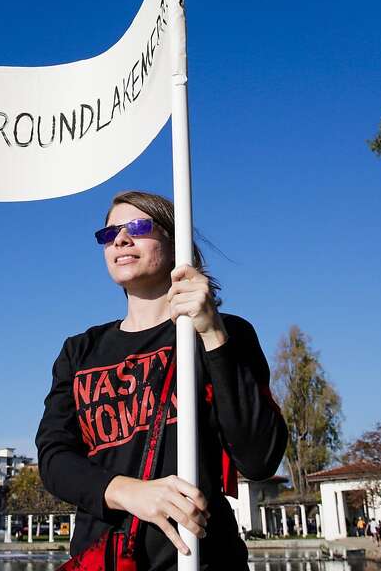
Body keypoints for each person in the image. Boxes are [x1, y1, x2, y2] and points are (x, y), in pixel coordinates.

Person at [36, 191, 288, 570]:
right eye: (108, 235)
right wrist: (127, 492)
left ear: (176, 244)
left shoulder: (225, 334)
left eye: (137, 227)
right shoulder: (79, 351)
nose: (120, 240)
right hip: (106, 559)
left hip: (200, 557)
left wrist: (213, 336)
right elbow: (54, 458)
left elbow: (259, 459)